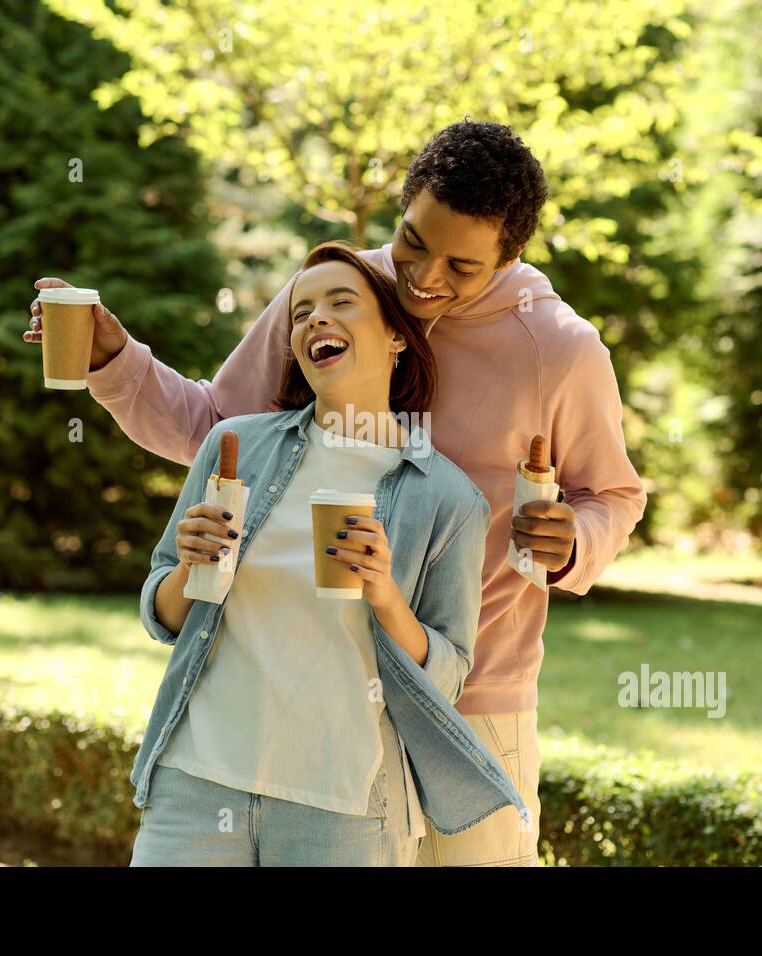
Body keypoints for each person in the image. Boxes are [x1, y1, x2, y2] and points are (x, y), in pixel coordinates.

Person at [25, 120, 647, 866]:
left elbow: (612, 492)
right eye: (413, 241)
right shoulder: (342, 294)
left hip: (472, 698)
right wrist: (116, 361)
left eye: (463, 265)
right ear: (403, 206)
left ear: (510, 257)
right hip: (324, 710)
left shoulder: (559, 348)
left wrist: (576, 537)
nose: (423, 279)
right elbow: (222, 430)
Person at [128, 240, 526, 866]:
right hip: (196, 784)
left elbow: (449, 672)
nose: (315, 318)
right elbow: (161, 611)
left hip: (342, 808)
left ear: (397, 335)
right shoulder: (235, 445)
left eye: (342, 302)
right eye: (301, 310)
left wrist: (385, 594)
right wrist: (187, 567)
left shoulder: (448, 497)